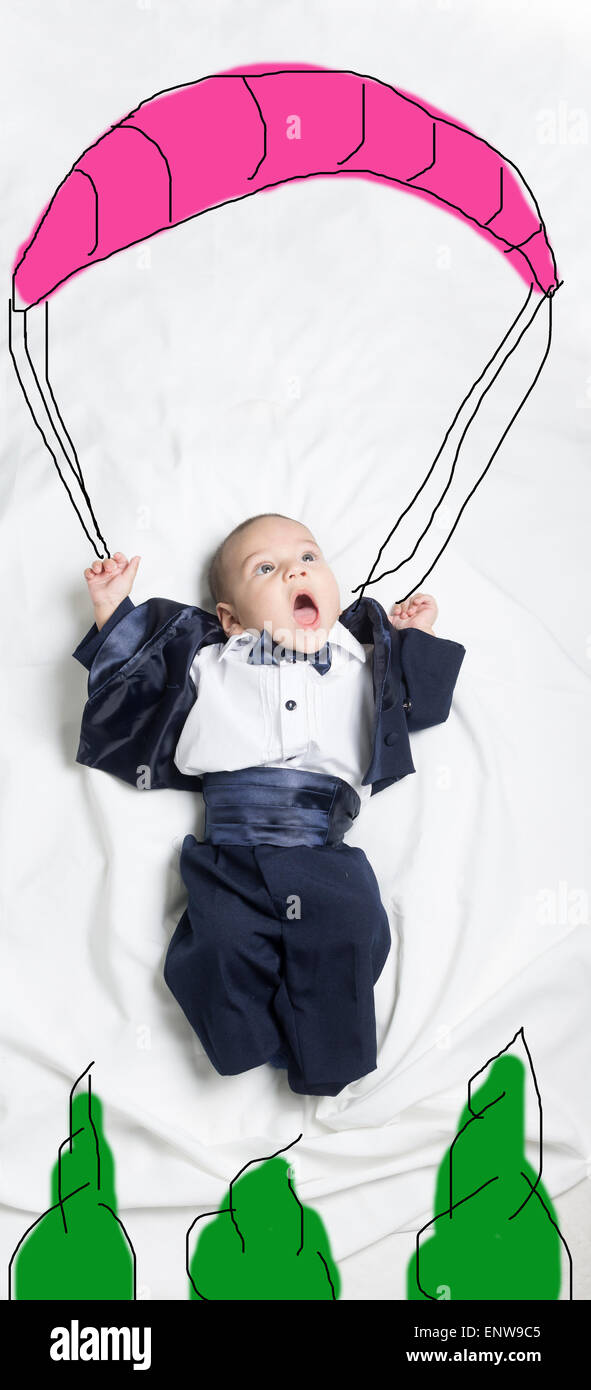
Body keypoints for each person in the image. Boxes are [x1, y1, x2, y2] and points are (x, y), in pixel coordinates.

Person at [74, 513, 465, 1096]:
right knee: (219, 944)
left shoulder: (362, 661)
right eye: (266, 568)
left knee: (352, 932)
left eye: (308, 558)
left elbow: (422, 710)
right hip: (229, 850)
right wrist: (113, 611)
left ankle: (329, 1054)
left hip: (324, 850)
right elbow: (138, 684)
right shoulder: (213, 661)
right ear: (230, 619)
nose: (293, 572)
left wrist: (417, 642)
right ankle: (245, 1040)